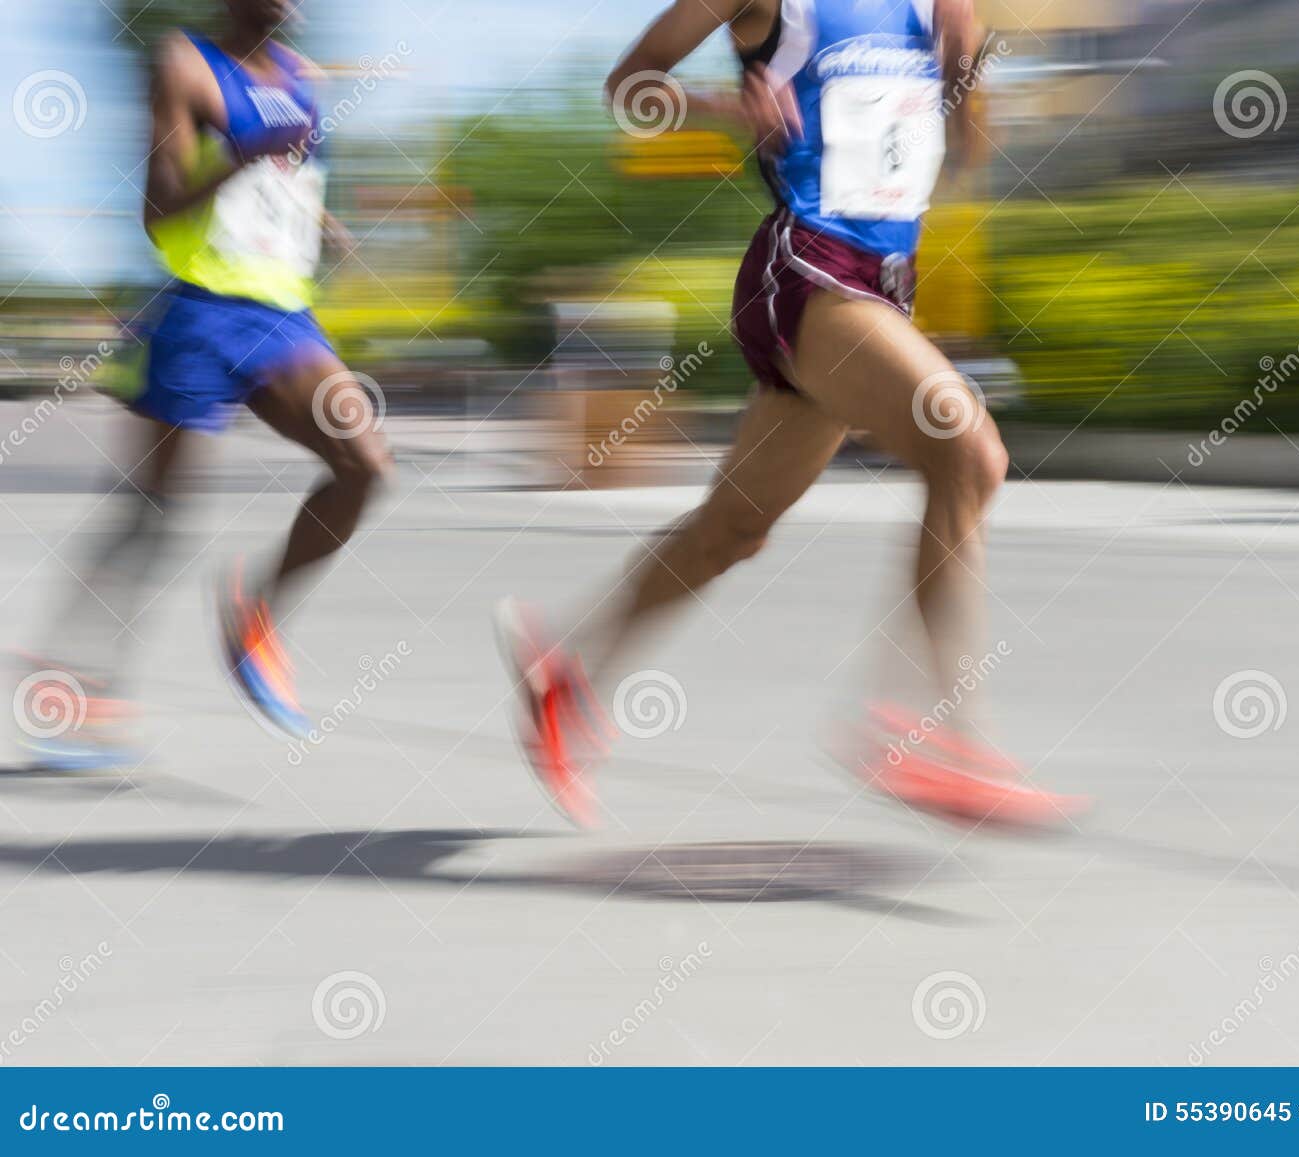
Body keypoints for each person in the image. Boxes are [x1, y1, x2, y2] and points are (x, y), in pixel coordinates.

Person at [495, 0, 1078, 829]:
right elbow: (628, 90)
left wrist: (969, 64)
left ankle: (566, 669)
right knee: (967, 450)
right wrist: (726, 109)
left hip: (882, 286)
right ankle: (940, 729)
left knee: (731, 530)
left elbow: (966, 157)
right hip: (808, 269)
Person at [13, 0, 388, 767]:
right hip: (200, 315)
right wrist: (244, 154)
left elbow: (291, 184)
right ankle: (73, 687)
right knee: (153, 515)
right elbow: (159, 211)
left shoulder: (302, 78)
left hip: (284, 317)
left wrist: (323, 227)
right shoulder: (185, 64)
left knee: (365, 463)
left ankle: (257, 613)